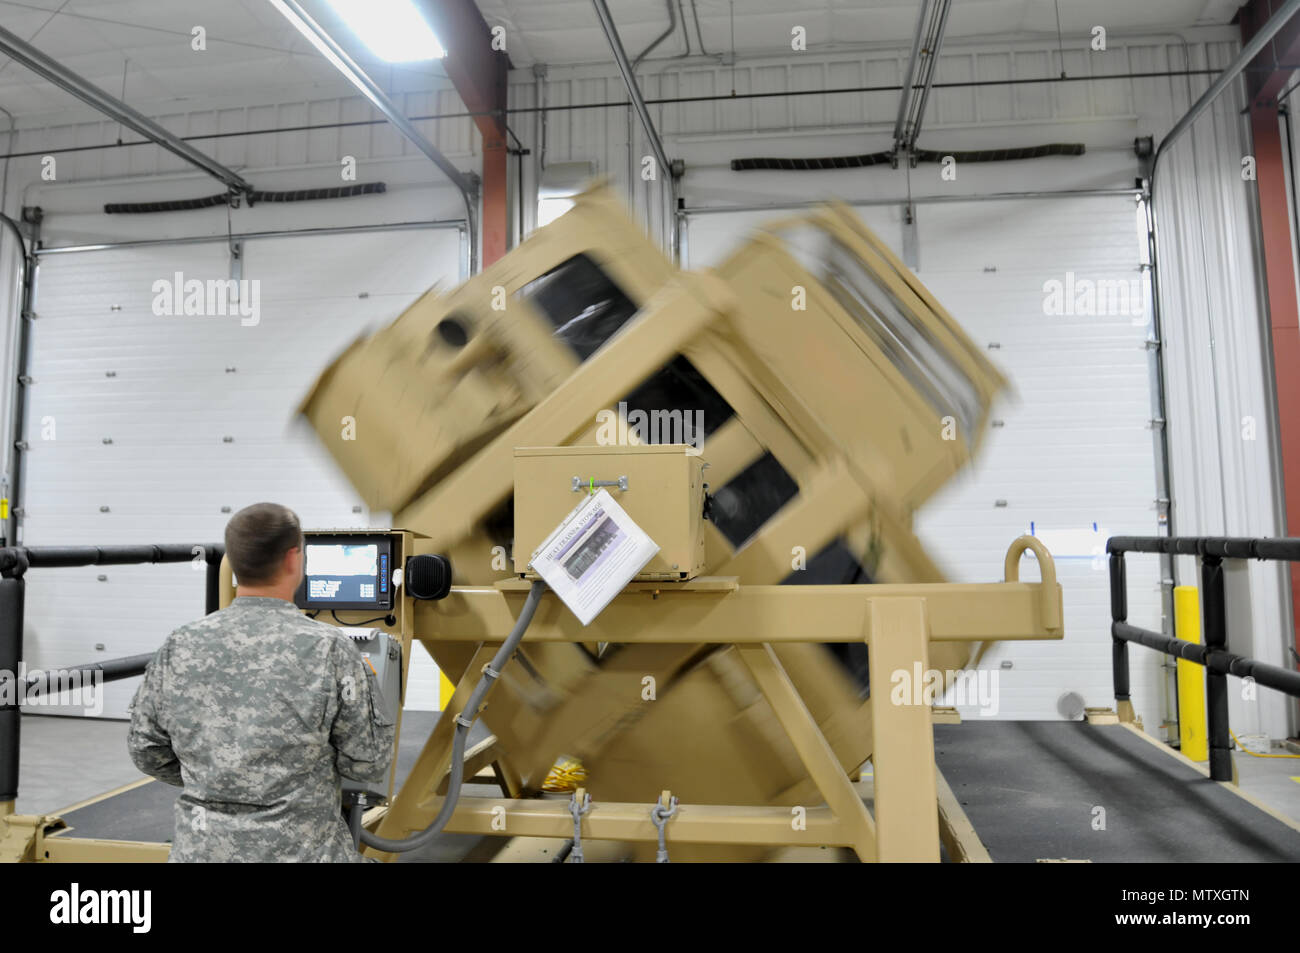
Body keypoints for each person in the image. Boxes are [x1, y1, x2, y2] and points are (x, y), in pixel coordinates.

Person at [127, 502, 396, 862]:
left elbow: (146, 750)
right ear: (293, 559)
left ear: (235, 563)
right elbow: (369, 762)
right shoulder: (331, 649)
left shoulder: (181, 644)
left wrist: (220, 780)